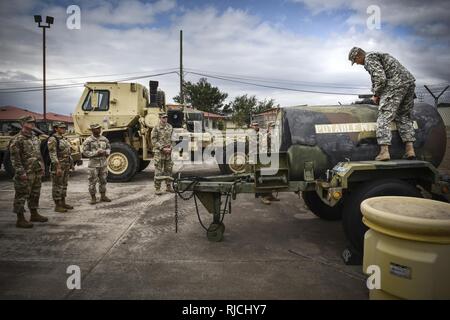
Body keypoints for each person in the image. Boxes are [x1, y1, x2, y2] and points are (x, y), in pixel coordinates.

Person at [348, 47, 416, 161]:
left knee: (384, 117)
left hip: (395, 85)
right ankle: (410, 150)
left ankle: (384, 152)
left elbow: (380, 78)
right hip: (409, 83)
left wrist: (376, 94)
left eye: (355, 61)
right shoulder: (378, 54)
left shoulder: (369, 58)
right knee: (403, 116)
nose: (357, 64)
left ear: (358, 56)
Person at [9, 115, 47, 228]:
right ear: (23, 124)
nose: (32, 124)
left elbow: (38, 154)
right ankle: (20, 219)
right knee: (21, 195)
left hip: (36, 170)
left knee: (35, 193)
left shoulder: (34, 138)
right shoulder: (17, 139)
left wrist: (42, 167)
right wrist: (21, 173)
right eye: (29, 122)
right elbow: (15, 159)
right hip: (25, 172)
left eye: (33, 122)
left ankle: (34, 214)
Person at [82, 123, 112, 204]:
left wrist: (106, 152)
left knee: (103, 181)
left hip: (103, 164)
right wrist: (95, 153)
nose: (99, 130)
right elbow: (84, 152)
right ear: (92, 130)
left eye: (99, 128)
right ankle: (93, 198)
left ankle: (103, 196)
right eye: (96, 129)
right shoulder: (88, 140)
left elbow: (109, 148)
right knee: (92, 182)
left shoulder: (104, 139)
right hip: (93, 165)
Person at [48, 122, 74, 212]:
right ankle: (57, 205)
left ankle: (63, 202)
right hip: (58, 165)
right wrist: (57, 167)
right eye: (61, 128)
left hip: (66, 165)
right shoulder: (53, 139)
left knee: (64, 185)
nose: (64, 129)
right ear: (56, 129)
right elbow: (52, 154)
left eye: (64, 127)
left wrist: (71, 164)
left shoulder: (63, 138)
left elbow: (68, 152)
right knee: (57, 185)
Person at [151, 112, 174, 195]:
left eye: (166, 117)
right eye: (163, 117)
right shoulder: (156, 128)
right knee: (158, 171)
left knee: (169, 169)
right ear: (160, 118)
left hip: (168, 152)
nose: (165, 119)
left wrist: (171, 147)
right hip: (159, 152)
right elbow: (153, 140)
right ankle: (157, 188)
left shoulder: (170, 127)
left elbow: (173, 139)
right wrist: (162, 148)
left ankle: (168, 187)